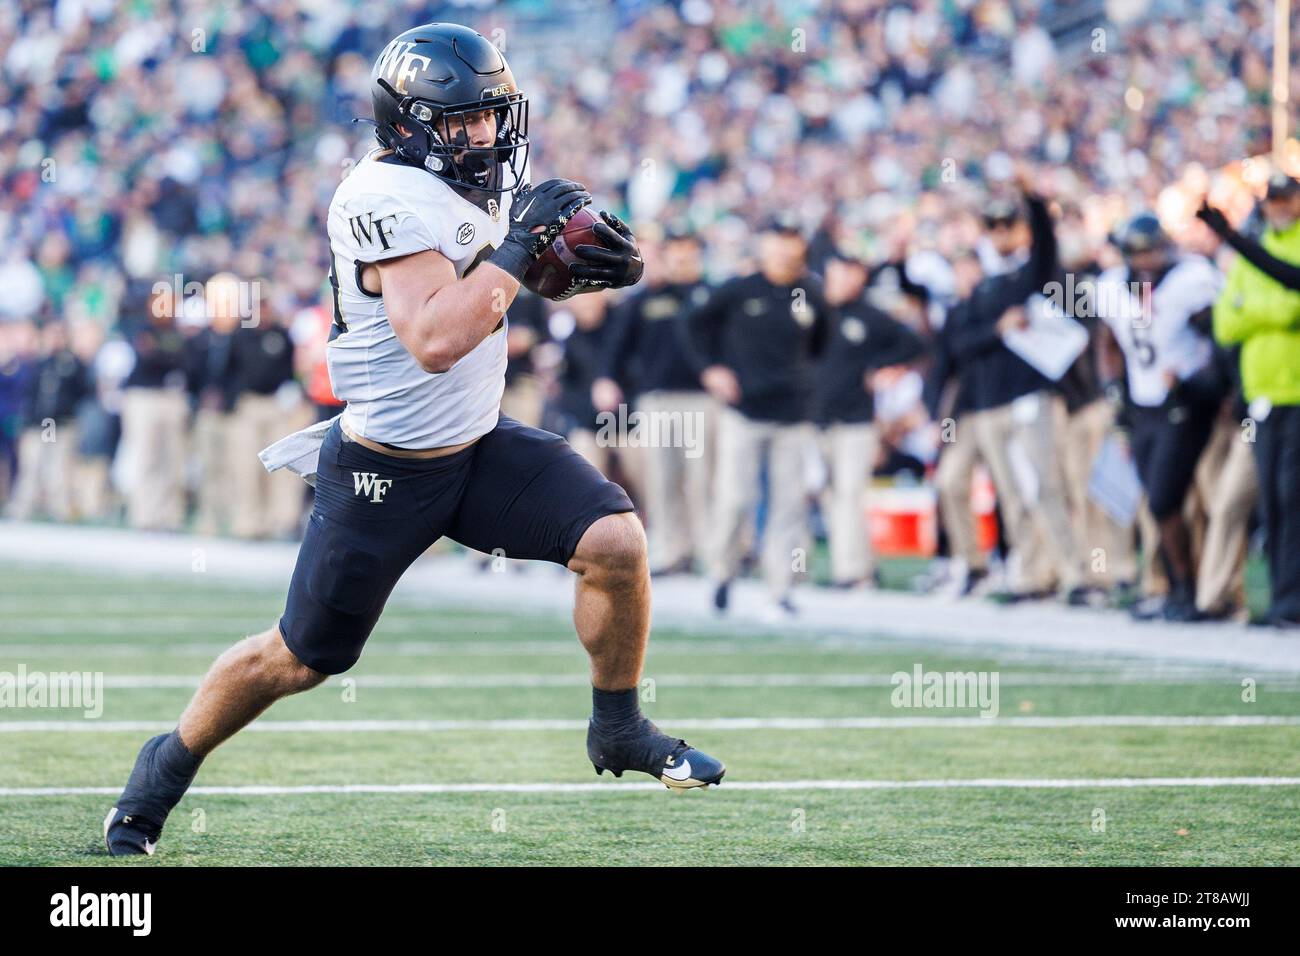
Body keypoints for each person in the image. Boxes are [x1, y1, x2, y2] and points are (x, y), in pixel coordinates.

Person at [103, 23, 723, 858]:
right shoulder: (378, 197)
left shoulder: (472, 181)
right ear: (409, 125)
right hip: (382, 473)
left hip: (476, 446)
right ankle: (156, 779)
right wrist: (516, 245)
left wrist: (577, 264)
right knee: (297, 659)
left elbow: (510, 279)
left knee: (615, 542)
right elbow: (435, 336)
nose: (484, 136)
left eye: (491, 117)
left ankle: (618, 727)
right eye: (463, 121)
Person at [945, 182, 1088, 603]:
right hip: (989, 407)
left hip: (1029, 398)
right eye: (994, 226)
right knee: (1011, 495)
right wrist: (997, 330)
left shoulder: (1026, 279)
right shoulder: (981, 290)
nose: (1002, 232)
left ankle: (1075, 573)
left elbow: (1045, 253)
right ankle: (1030, 574)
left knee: (1047, 486)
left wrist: (1037, 202)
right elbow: (959, 345)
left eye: (1009, 225)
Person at [685, 215, 830, 617]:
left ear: (802, 246)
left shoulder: (812, 294)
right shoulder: (738, 290)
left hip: (794, 414)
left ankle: (780, 588)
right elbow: (692, 325)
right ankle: (721, 574)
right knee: (735, 498)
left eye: (792, 240)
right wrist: (711, 368)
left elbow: (822, 345)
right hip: (743, 412)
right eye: (778, 240)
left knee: (789, 504)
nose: (785, 249)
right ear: (764, 246)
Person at [1095, 212, 1224, 621]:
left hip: (1186, 404)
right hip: (1142, 405)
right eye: (1137, 253)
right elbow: (1109, 345)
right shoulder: (1113, 286)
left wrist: (1200, 384)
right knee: (1157, 501)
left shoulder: (1191, 280)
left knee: (1166, 498)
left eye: (1151, 251)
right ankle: (1176, 590)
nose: (1145, 260)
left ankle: (1189, 591)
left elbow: (1219, 341)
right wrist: (1116, 393)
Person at [1201, 173, 1300, 628]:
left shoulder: (1264, 252)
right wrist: (1270, 312)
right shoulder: (1249, 257)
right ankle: (1281, 600)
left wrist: (1229, 237)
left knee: (1291, 494)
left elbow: (1290, 296)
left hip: (1295, 393)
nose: (1279, 207)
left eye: (1286, 199)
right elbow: (1226, 325)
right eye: (1273, 200)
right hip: (1260, 396)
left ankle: (1290, 599)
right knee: (1273, 503)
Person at [593, 228, 714, 576]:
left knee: (701, 479)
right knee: (661, 479)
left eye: (688, 252)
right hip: (658, 399)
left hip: (701, 400)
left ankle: (708, 551)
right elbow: (616, 344)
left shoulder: (710, 296)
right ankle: (671, 549)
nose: (681, 259)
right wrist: (605, 378)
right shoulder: (646, 299)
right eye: (676, 252)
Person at [814, 249, 926, 588]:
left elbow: (915, 344)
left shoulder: (871, 316)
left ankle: (849, 572)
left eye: (852, 271)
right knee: (831, 495)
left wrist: (885, 369)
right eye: (839, 270)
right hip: (819, 420)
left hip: (857, 420)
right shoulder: (814, 312)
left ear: (861, 277)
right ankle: (862, 565)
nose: (845, 278)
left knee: (850, 493)